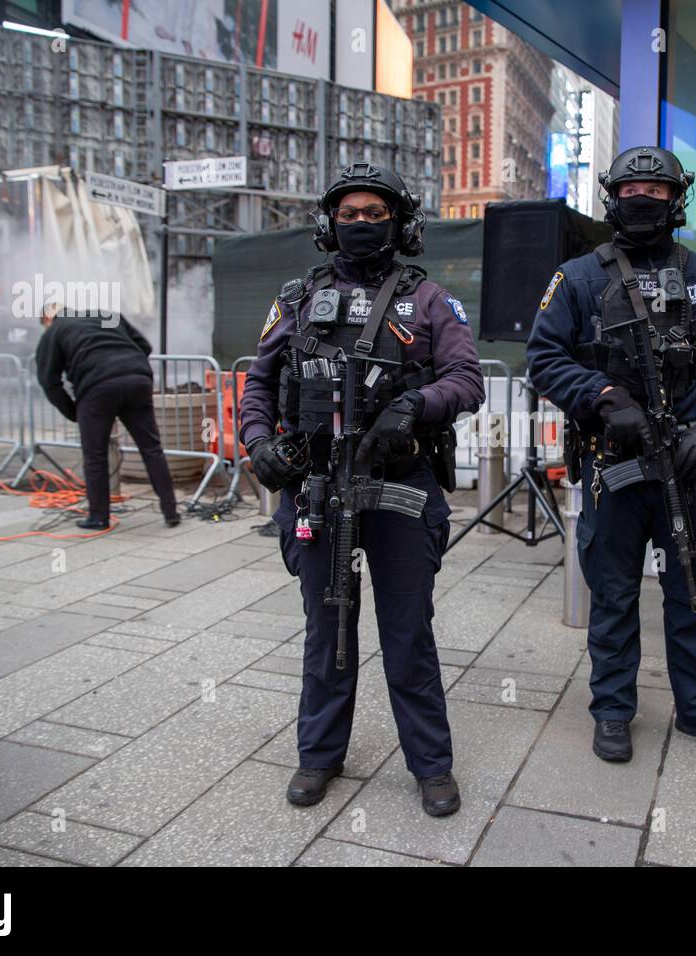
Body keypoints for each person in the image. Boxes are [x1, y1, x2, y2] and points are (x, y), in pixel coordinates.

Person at [239, 162, 484, 816]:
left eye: (374, 213)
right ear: (329, 224)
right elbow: (259, 382)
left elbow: (467, 380)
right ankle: (318, 757)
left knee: (408, 635)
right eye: (348, 213)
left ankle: (431, 766)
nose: (360, 223)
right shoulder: (296, 297)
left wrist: (419, 406)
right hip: (319, 487)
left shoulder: (428, 299)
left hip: (399, 488)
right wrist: (258, 444)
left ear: (399, 223)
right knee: (327, 630)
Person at [526, 146, 696, 764]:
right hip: (615, 463)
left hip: (688, 463)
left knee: (691, 590)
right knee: (612, 592)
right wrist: (602, 395)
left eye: (657, 192)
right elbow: (544, 358)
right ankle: (612, 710)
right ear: (613, 196)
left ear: (675, 200)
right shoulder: (577, 277)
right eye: (633, 189)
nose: (644, 199)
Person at [34, 301, 180, 529]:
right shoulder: (107, 315)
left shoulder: (55, 331)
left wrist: (73, 412)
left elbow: (48, 381)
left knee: (95, 455)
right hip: (137, 379)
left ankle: (99, 517)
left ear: (47, 320)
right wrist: (129, 364)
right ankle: (171, 511)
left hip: (97, 388)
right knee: (151, 449)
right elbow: (144, 346)